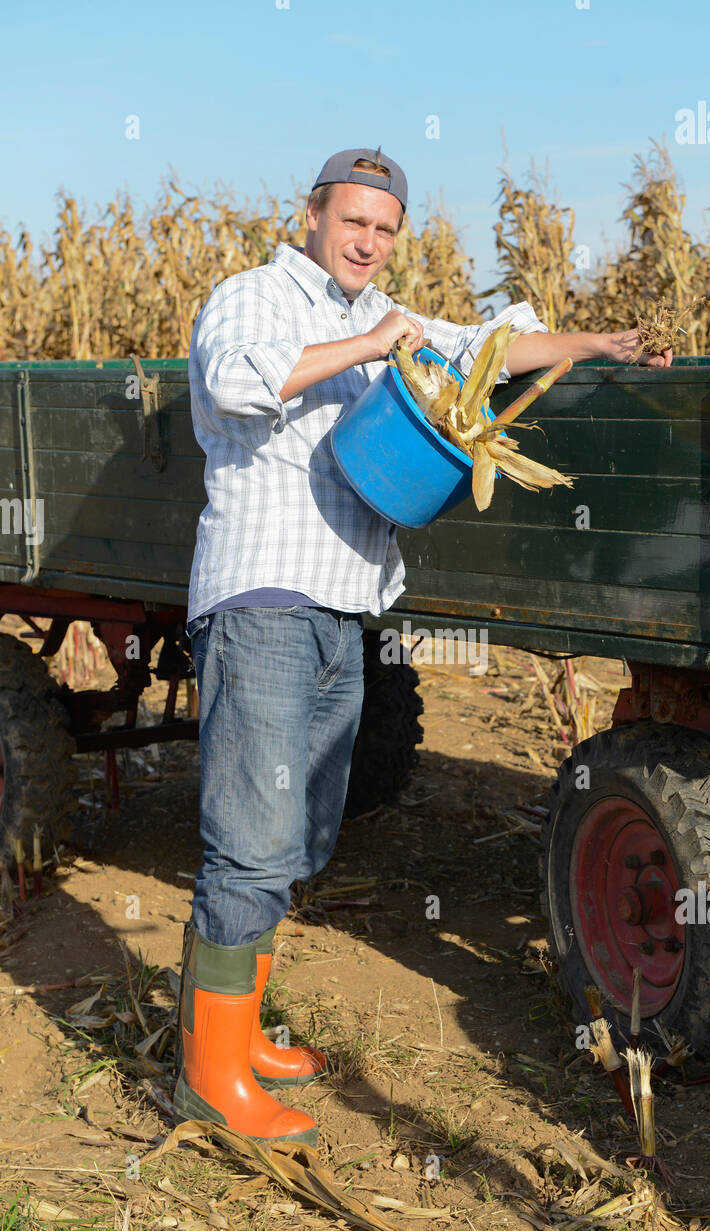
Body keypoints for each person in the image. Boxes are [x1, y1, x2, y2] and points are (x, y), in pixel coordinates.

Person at [176, 146, 674, 1145]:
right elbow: (231, 387)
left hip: (344, 607)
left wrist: (601, 342)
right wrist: (370, 352)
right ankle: (208, 1073)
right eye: (352, 220)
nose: (367, 241)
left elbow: (487, 348)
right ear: (312, 215)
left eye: (384, 228)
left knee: (306, 828)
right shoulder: (256, 298)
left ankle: (241, 1030)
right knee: (252, 833)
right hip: (264, 596)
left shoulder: (384, 316)